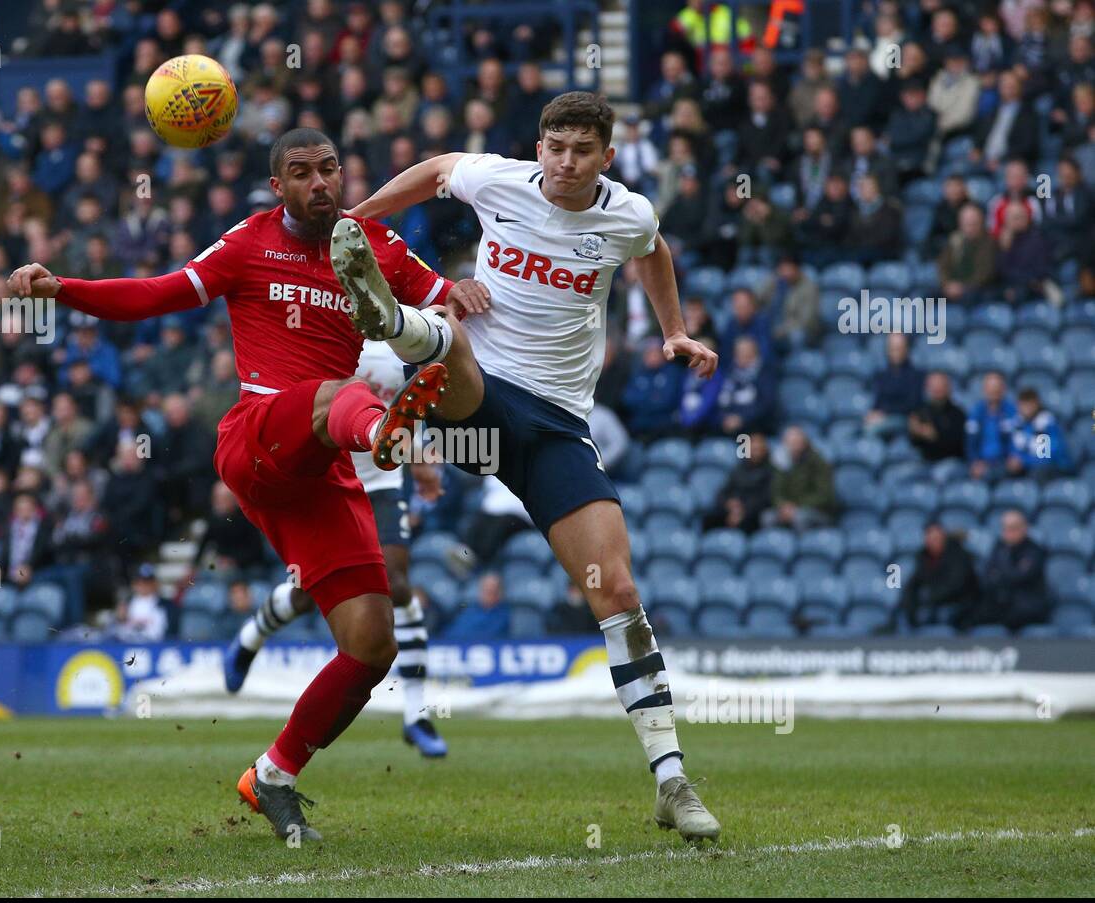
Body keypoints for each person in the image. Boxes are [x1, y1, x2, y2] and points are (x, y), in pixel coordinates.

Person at [8, 127, 474, 844]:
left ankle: (274, 776)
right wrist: (62, 288)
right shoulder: (248, 242)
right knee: (330, 393)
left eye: (329, 170)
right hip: (259, 434)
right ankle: (385, 433)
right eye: (301, 173)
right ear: (277, 187)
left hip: (324, 470)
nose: (320, 183)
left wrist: (468, 292)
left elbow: (451, 304)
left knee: (370, 644)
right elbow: (157, 294)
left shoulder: (374, 246)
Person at [343, 92, 722, 841]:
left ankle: (672, 780)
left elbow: (652, 250)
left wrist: (673, 330)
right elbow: (439, 168)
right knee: (451, 337)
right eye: (555, 146)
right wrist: (360, 216)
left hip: (555, 425)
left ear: (606, 158)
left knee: (615, 588)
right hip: (479, 402)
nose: (565, 162)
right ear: (539, 146)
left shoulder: (628, 214)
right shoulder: (500, 180)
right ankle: (389, 320)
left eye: (582, 151)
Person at [221, 340, 450, 758]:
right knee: (309, 595)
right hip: (329, 479)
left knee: (396, 585)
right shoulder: (321, 333)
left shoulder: (402, 336)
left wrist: (420, 464)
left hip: (381, 479)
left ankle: (416, 714)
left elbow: (411, 407)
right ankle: (251, 636)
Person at [962, 512, 1051, 631]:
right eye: (1005, 528)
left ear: (1024, 528)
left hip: (1026, 604)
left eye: (1013, 528)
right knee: (967, 614)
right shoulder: (999, 547)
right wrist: (1002, 574)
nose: (1008, 532)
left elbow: (1018, 577)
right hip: (1001, 601)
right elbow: (988, 574)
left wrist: (1000, 574)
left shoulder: (1033, 550)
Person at [898, 522, 977, 629]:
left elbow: (956, 585)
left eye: (937, 539)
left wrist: (929, 598)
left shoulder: (959, 555)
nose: (934, 542)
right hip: (933, 603)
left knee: (941, 615)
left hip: (958, 605)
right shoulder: (923, 556)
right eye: (931, 539)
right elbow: (914, 583)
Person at [762, 426, 837, 531]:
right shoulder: (781, 463)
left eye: (797, 442)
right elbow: (776, 491)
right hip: (789, 509)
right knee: (767, 517)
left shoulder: (818, 462)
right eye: (790, 443)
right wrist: (782, 505)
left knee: (800, 517)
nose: (794, 446)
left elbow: (824, 495)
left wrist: (796, 506)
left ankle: (805, 546)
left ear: (804, 442)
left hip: (817, 511)